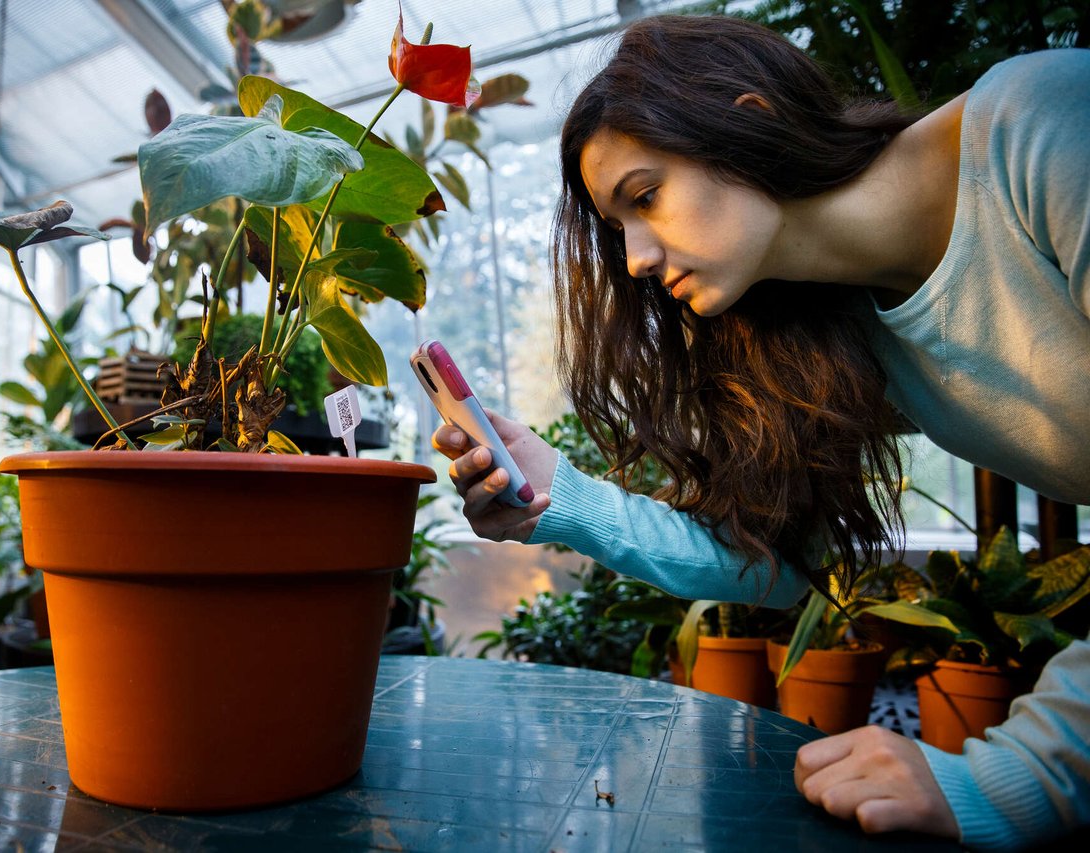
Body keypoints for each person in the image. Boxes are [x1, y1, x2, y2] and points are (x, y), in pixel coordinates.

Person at [429, 14, 1089, 851]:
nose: (634, 258)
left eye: (645, 195)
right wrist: (562, 497)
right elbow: (776, 564)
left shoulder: (1045, 125)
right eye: (619, 226)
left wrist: (1023, 771)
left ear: (750, 122)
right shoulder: (835, 326)